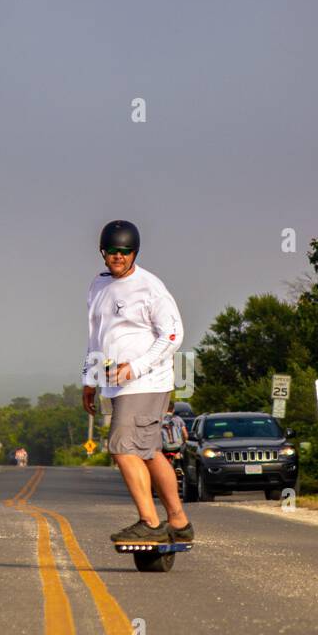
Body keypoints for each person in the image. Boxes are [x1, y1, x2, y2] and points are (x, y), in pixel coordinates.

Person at [82, 220, 195, 545]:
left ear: (135, 253)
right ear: (103, 253)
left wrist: (137, 366)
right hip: (115, 384)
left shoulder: (150, 287)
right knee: (147, 452)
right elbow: (95, 337)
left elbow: (173, 335)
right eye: (112, 252)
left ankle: (149, 522)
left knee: (120, 446)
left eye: (124, 252)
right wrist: (89, 379)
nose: (118, 257)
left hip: (146, 381)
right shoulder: (97, 285)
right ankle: (178, 520)